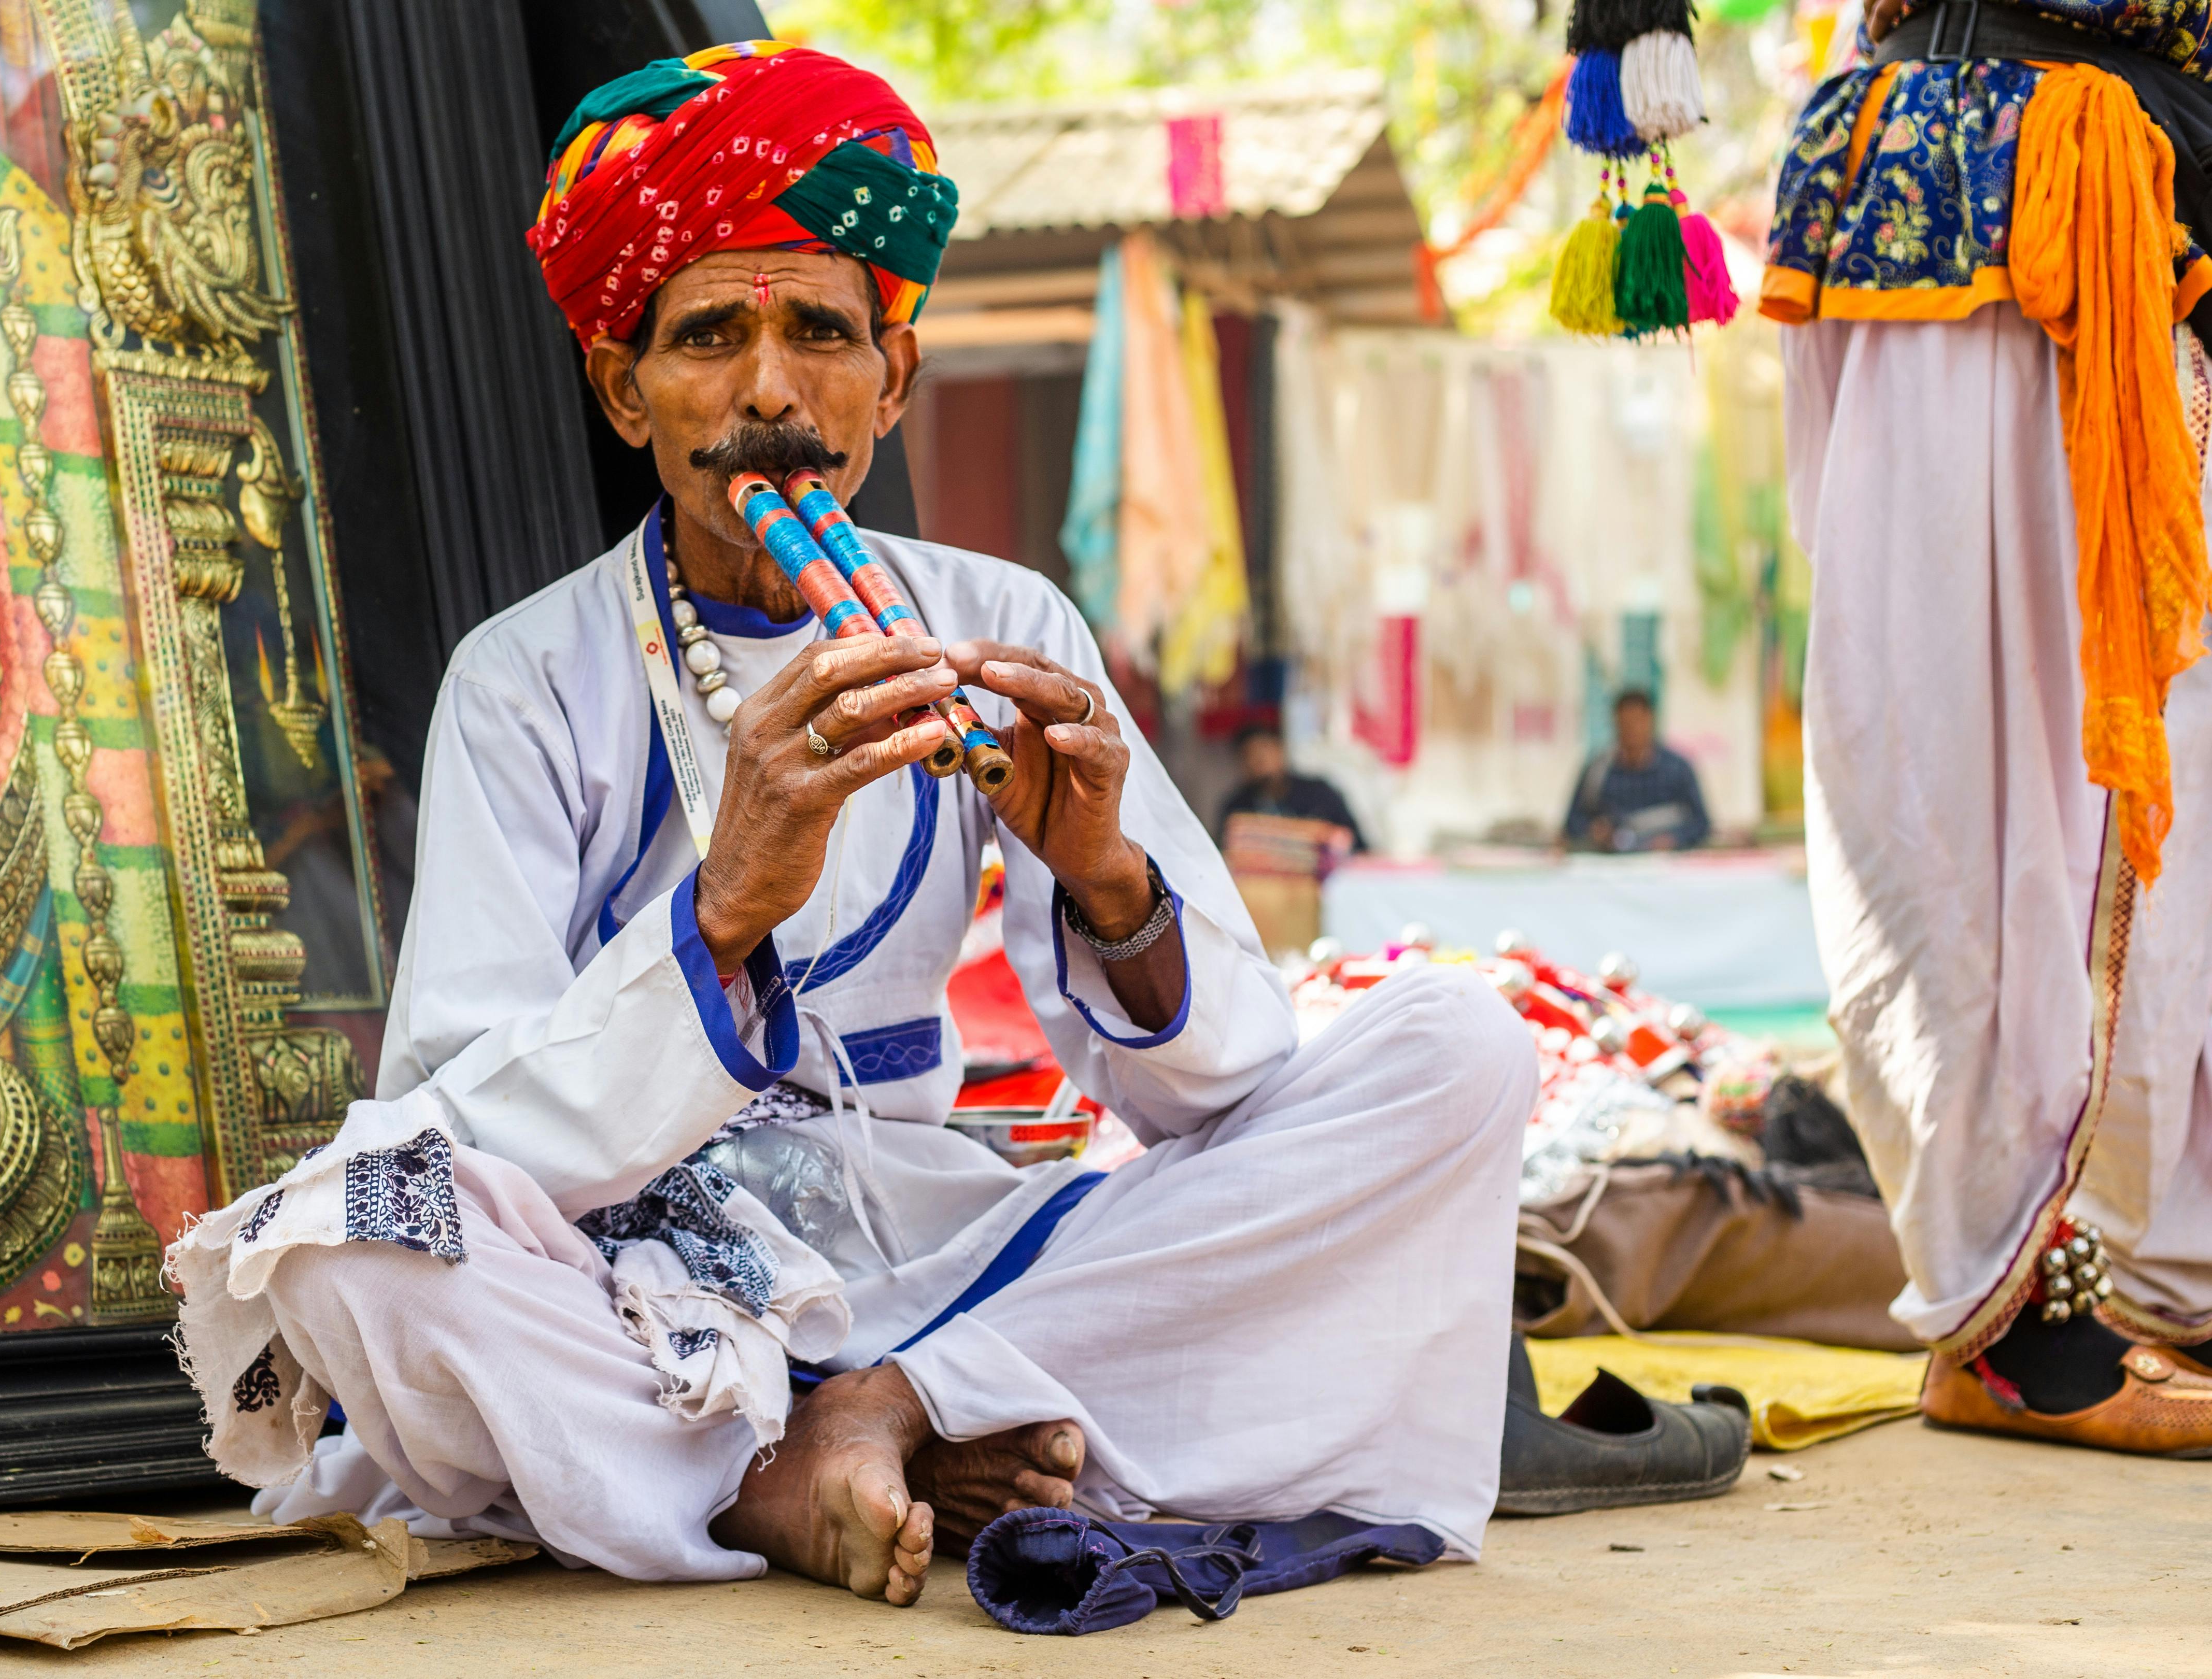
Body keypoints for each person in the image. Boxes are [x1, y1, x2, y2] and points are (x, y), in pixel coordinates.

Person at [169, 41, 1536, 1605]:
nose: (769, 393)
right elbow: (459, 1127)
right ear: (626, 392)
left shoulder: (1001, 622)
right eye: (707, 340)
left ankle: (884, 1416)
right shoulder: (528, 674)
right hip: (635, 1289)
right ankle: (769, 1467)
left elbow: (1217, 1094)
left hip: (941, 1249)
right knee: (352, 1242)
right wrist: (720, 914)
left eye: (822, 330)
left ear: (895, 379)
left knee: (1459, 1048)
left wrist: (1104, 878)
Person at [1765, 0, 2212, 1449]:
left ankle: (2161, 1282)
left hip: (2158, 205)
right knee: (1979, 772)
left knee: (2176, 783)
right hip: (1979, 183)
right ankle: (2009, 1325)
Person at [1561, 690, 1710, 852]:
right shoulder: (1597, 771)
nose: (1631, 730)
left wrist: (1674, 839)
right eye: (1624, 723)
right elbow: (1572, 822)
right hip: (1609, 866)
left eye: (1637, 722)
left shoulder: (1678, 769)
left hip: (1665, 865)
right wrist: (1593, 830)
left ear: (1650, 721)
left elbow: (1701, 823)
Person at [1214, 721, 1365, 852]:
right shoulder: (1237, 808)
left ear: (1281, 750)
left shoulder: (1320, 794)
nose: (1260, 761)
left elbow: (1357, 845)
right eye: (1250, 755)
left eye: (1265, 750)